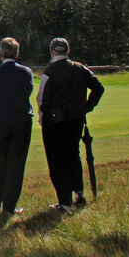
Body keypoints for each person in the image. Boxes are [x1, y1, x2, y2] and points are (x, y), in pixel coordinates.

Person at [37, 37, 104, 213]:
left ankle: (65, 202)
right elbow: (99, 88)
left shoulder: (50, 71)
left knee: (57, 160)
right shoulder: (80, 68)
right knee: (73, 155)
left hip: (54, 121)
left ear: (52, 51)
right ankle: (79, 194)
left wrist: (42, 116)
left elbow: (41, 98)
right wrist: (87, 107)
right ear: (68, 51)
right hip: (76, 119)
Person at [0, 37, 33, 216]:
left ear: (1, 53)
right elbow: (28, 91)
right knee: (16, 164)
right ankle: (9, 206)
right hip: (21, 120)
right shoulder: (26, 72)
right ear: (17, 54)